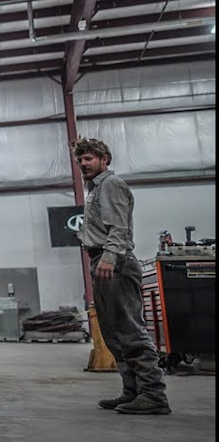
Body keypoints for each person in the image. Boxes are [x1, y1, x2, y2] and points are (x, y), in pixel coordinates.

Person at [73, 137, 170, 415]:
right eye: (81, 159)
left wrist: (109, 257)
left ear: (105, 160)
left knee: (129, 330)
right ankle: (133, 392)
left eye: (89, 158)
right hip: (102, 262)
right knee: (114, 334)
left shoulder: (110, 185)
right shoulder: (96, 188)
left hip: (113, 263)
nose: (83, 163)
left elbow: (118, 228)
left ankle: (153, 394)